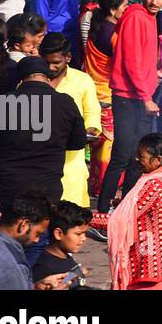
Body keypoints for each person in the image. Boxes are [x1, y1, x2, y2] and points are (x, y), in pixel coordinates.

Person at [98, 0, 162, 212]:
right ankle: (103, 211)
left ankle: (125, 208)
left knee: (135, 159)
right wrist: (147, 97)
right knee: (122, 155)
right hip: (129, 97)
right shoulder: (136, 17)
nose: (154, 2)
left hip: (139, 96)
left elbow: (143, 58)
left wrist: (158, 72)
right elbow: (130, 61)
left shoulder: (148, 17)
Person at [0, 55, 86, 211]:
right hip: (48, 191)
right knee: (41, 233)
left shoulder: (2, 102)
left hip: (8, 187)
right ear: (47, 77)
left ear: (20, 79)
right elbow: (78, 142)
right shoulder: (65, 102)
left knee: (8, 232)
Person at [107, 132, 162, 289]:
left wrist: (87, 219)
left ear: (158, 160)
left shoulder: (154, 185)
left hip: (150, 261)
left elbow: (123, 219)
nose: (137, 159)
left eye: (141, 156)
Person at [43, 33, 102, 207]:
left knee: (70, 215)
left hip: (71, 161)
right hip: (41, 157)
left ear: (68, 57)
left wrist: (90, 131)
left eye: (56, 63)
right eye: (46, 62)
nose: (51, 68)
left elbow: (92, 113)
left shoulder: (82, 81)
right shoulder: (33, 79)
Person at [31, 200, 92, 289]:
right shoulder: (46, 268)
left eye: (85, 233)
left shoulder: (64, 257)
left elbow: (66, 280)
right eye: (78, 234)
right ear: (59, 234)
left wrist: (78, 273)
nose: (84, 238)